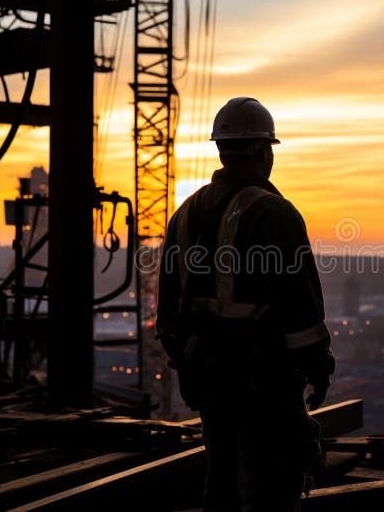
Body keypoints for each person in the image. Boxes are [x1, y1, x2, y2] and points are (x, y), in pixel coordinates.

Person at [156, 96, 336, 512]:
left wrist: (189, 361)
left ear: (221, 148)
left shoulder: (184, 213)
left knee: (221, 483)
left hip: (209, 381)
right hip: (264, 381)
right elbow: (301, 308)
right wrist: (318, 366)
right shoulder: (273, 213)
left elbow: (168, 314)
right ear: (261, 150)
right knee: (273, 489)